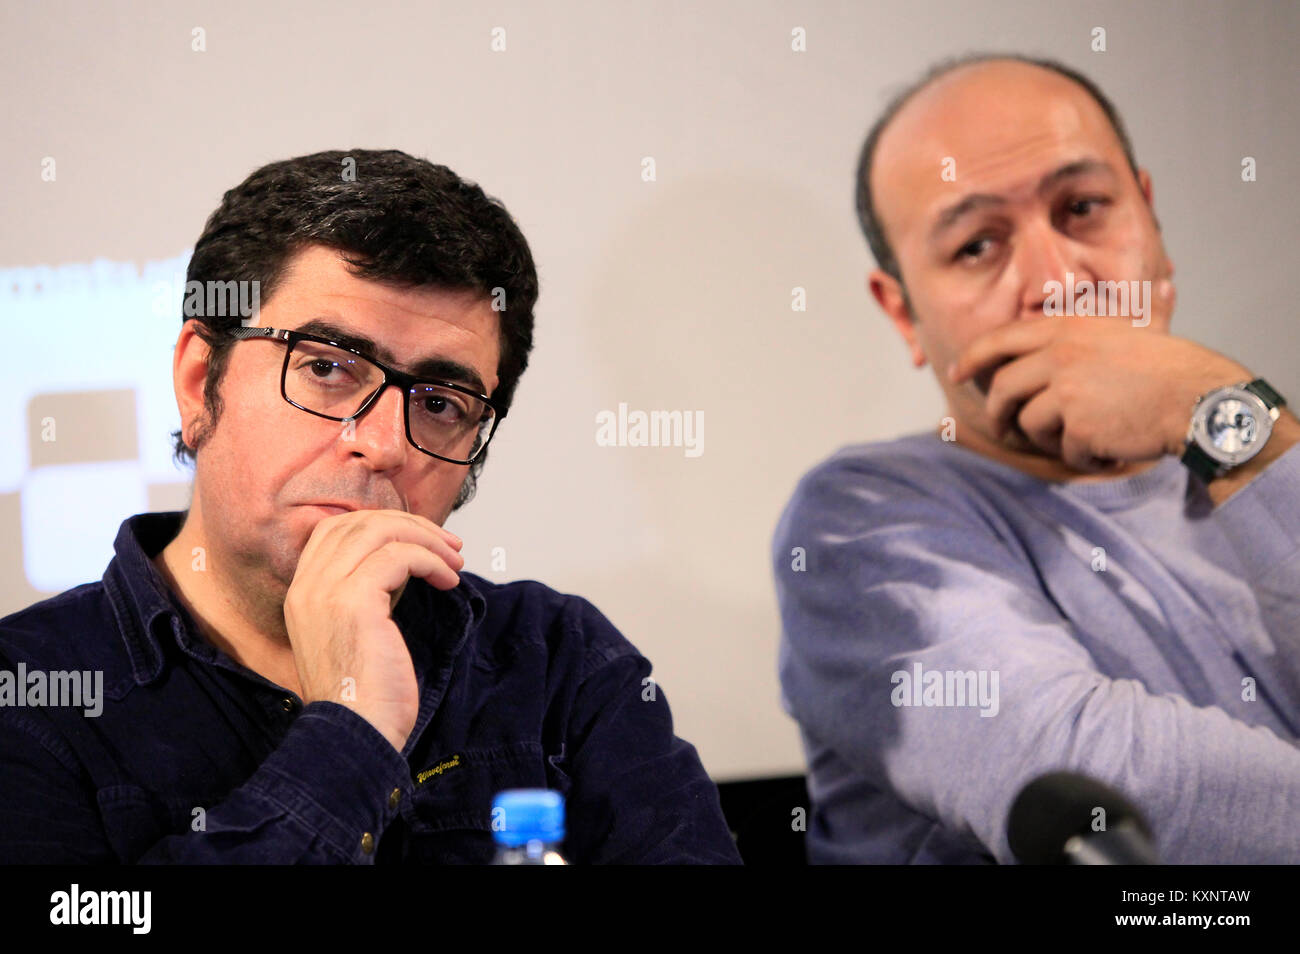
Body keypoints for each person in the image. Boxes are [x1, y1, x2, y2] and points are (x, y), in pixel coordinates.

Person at [0, 149, 740, 864]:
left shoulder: (560, 665)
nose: (384, 444)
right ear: (200, 382)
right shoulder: (30, 694)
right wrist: (350, 732)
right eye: (326, 368)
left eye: (442, 403)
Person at [773, 55, 1300, 863]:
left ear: (1150, 221)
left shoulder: (1255, 454)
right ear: (902, 313)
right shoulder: (859, 520)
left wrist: (1219, 407)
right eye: (978, 244)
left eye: (1084, 207)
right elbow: (1101, 795)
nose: (1058, 281)